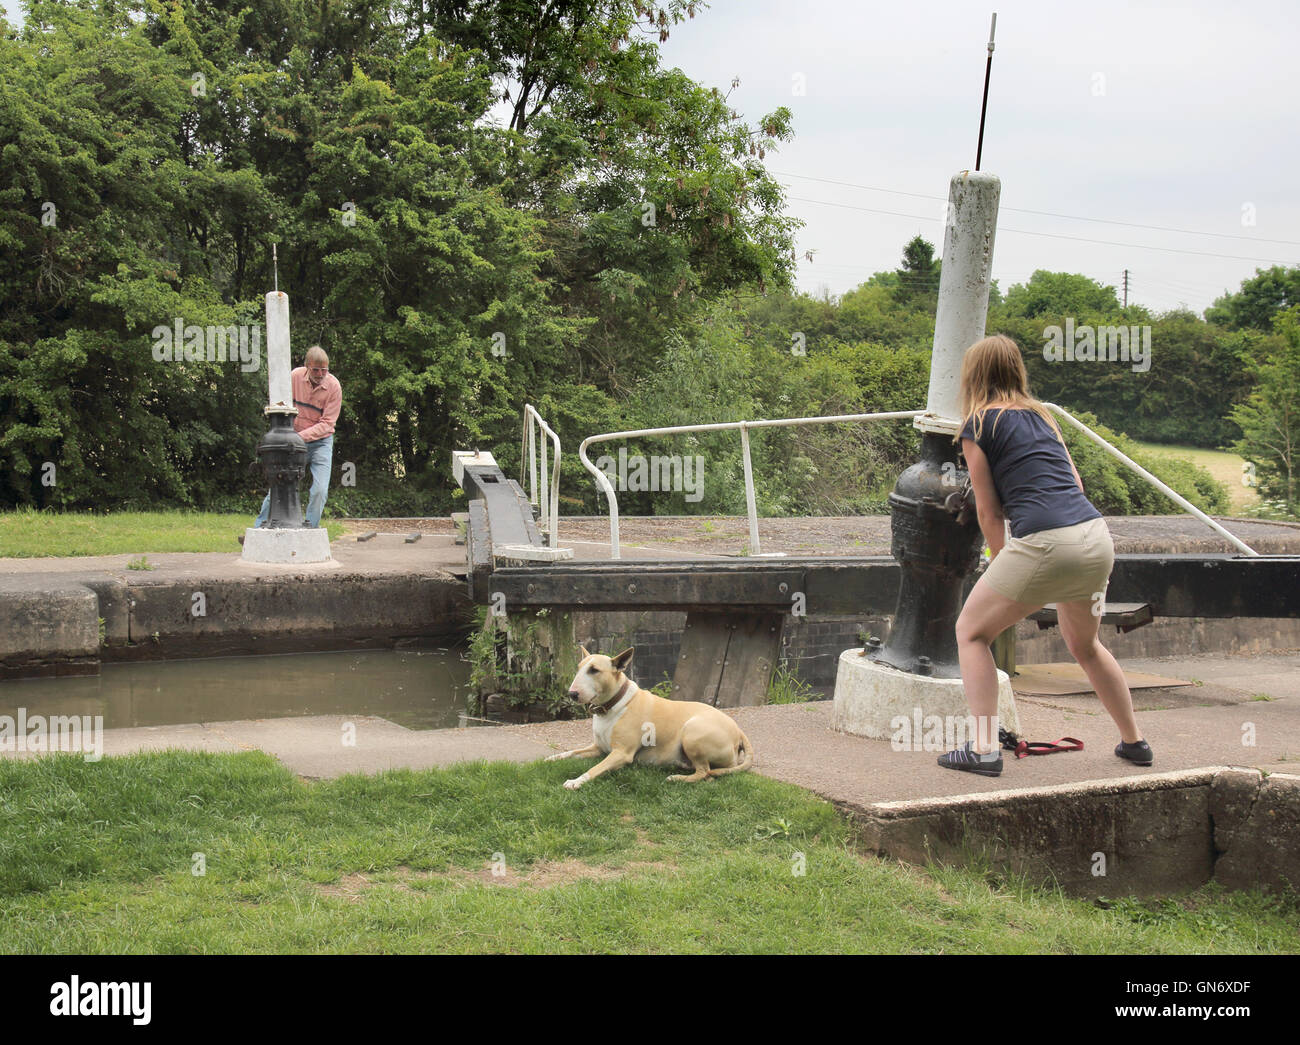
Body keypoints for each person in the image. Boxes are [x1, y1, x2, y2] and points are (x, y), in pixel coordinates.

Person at [938, 334, 1153, 777]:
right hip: (1094, 537)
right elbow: (1073, 481)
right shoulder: (1044, 415)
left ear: (973, 375)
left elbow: (988, 508)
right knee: (1085, 645)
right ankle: (1135, 743)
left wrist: (1002, 565)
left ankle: (983, 750)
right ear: (1017, 370)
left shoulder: (977, 424)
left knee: (971, 632)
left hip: (1046, 543)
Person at [255, 346, 342, 529]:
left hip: (320, 443)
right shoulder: (294, 377)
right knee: (279, 486)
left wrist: (298, 437)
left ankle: (310, 528)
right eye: (316, 370)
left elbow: (327, 424)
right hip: (293, 442)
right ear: (306, 367)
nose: (320, 374)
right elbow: (282, 403)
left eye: (324, 370)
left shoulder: (334, 387)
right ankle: (260, 528)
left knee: (320, 491)